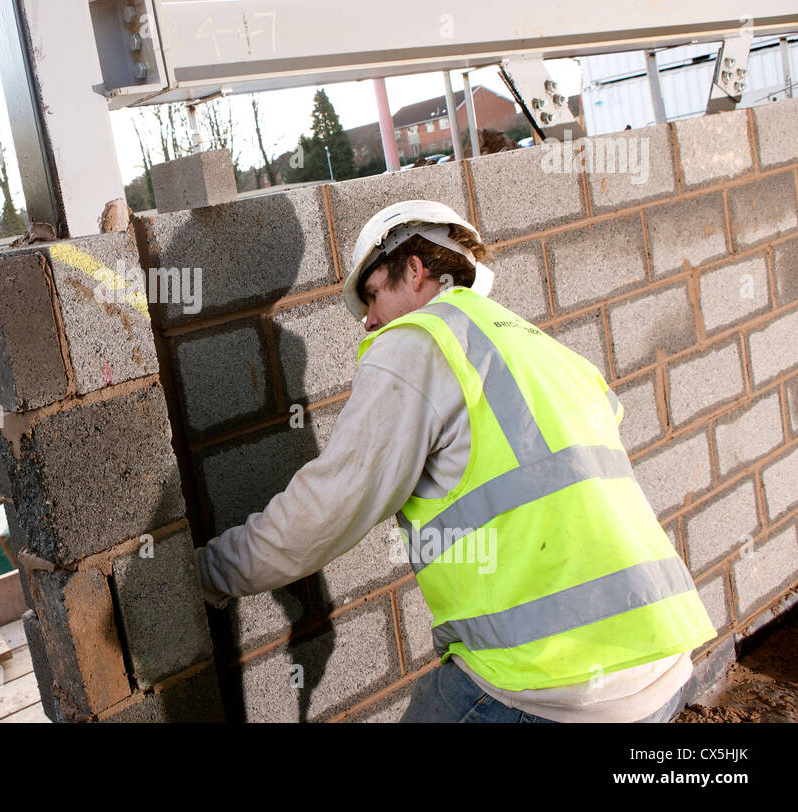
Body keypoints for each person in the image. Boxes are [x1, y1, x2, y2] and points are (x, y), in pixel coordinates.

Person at [193, 200, 716, 722]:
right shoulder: (545, 349)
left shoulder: (416, 345)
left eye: (373, 294)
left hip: (551, 681)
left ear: (415, 270)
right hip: (660, 662)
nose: (369, 321)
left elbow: (327, 509)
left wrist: (207, 575)